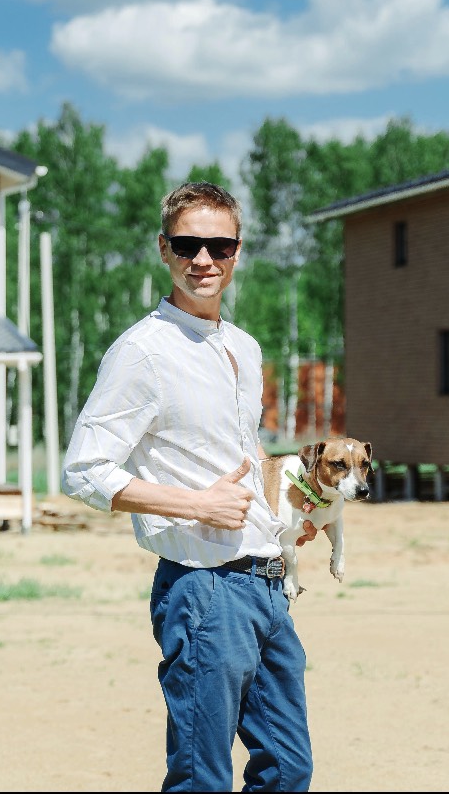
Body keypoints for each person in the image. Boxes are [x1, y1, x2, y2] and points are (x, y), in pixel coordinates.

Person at [61, 181, 313, 792]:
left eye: (219, 245)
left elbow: (240, 449)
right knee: (201, 777)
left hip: (266, 584)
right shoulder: (143, 352)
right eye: (188, 244)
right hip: (202, 590)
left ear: (237, 251)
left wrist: (287, 511)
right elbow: (83, 471)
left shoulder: (243, 349)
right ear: (164, 249)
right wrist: (199, 504)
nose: (204, 259)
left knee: (287, 768)